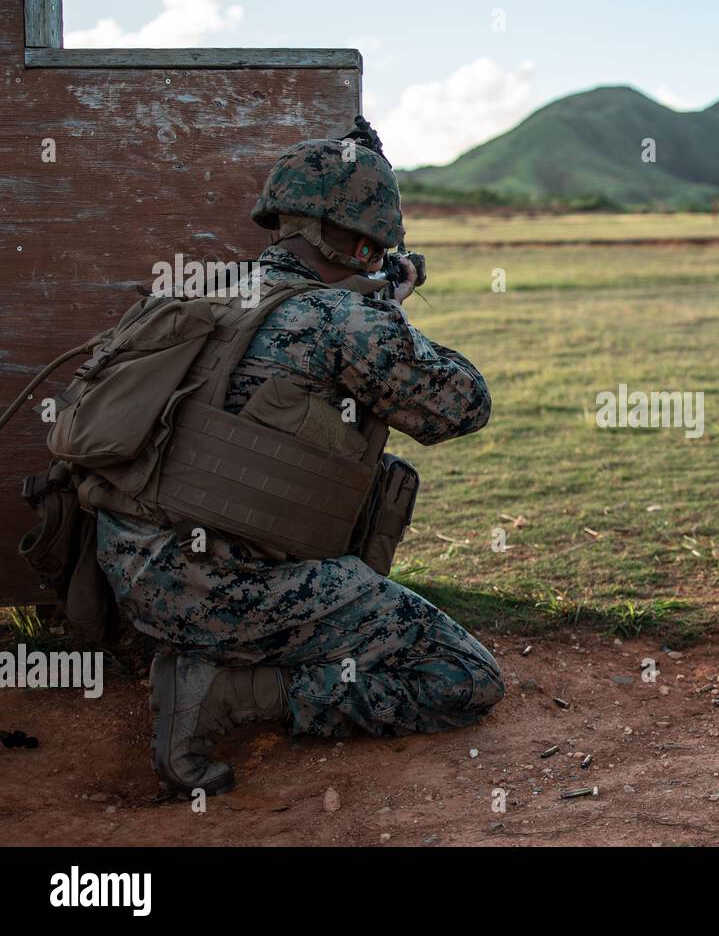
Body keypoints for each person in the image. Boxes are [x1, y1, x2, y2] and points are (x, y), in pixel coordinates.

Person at [93, 120, 505, 796]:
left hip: (133, 575)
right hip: (224, 591)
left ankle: (202, 649)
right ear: (365, 241)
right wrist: (388, 310)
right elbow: (462, 405)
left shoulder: (209, 289)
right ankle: (234, 688)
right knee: (464, 677)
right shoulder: (350, 320)